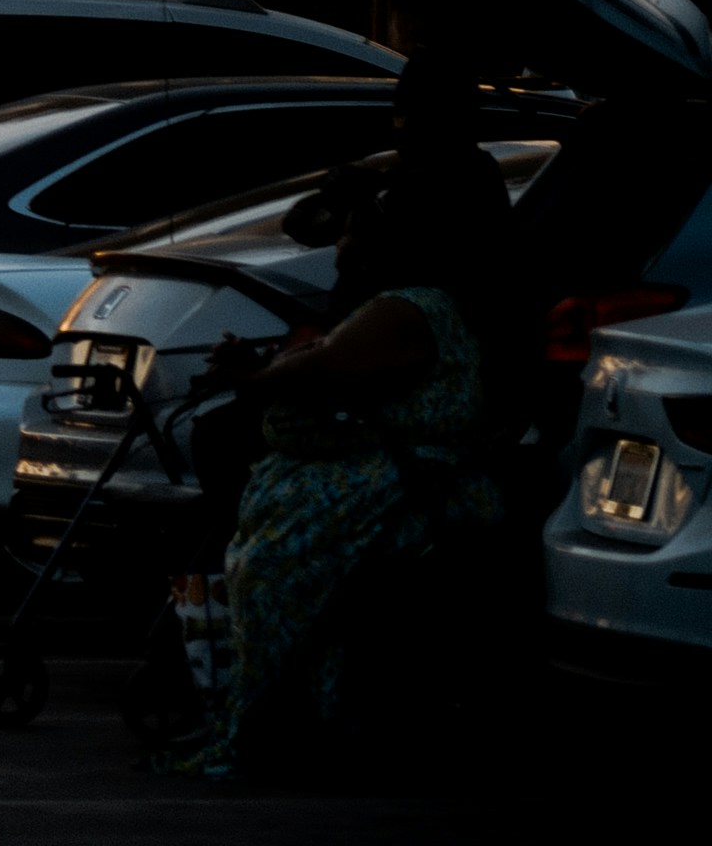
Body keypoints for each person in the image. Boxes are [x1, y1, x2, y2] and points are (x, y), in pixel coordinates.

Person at [160, 118, 522, 782]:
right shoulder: (394, 303)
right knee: (259, 531)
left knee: (275, 559)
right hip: (389, 474)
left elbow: (325, 367)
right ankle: (277, 707)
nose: (339, 253)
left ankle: (280, 718)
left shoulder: (409, 309)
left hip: (418, 485)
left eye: (353, 239)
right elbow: (320, 354)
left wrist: (254, 378)